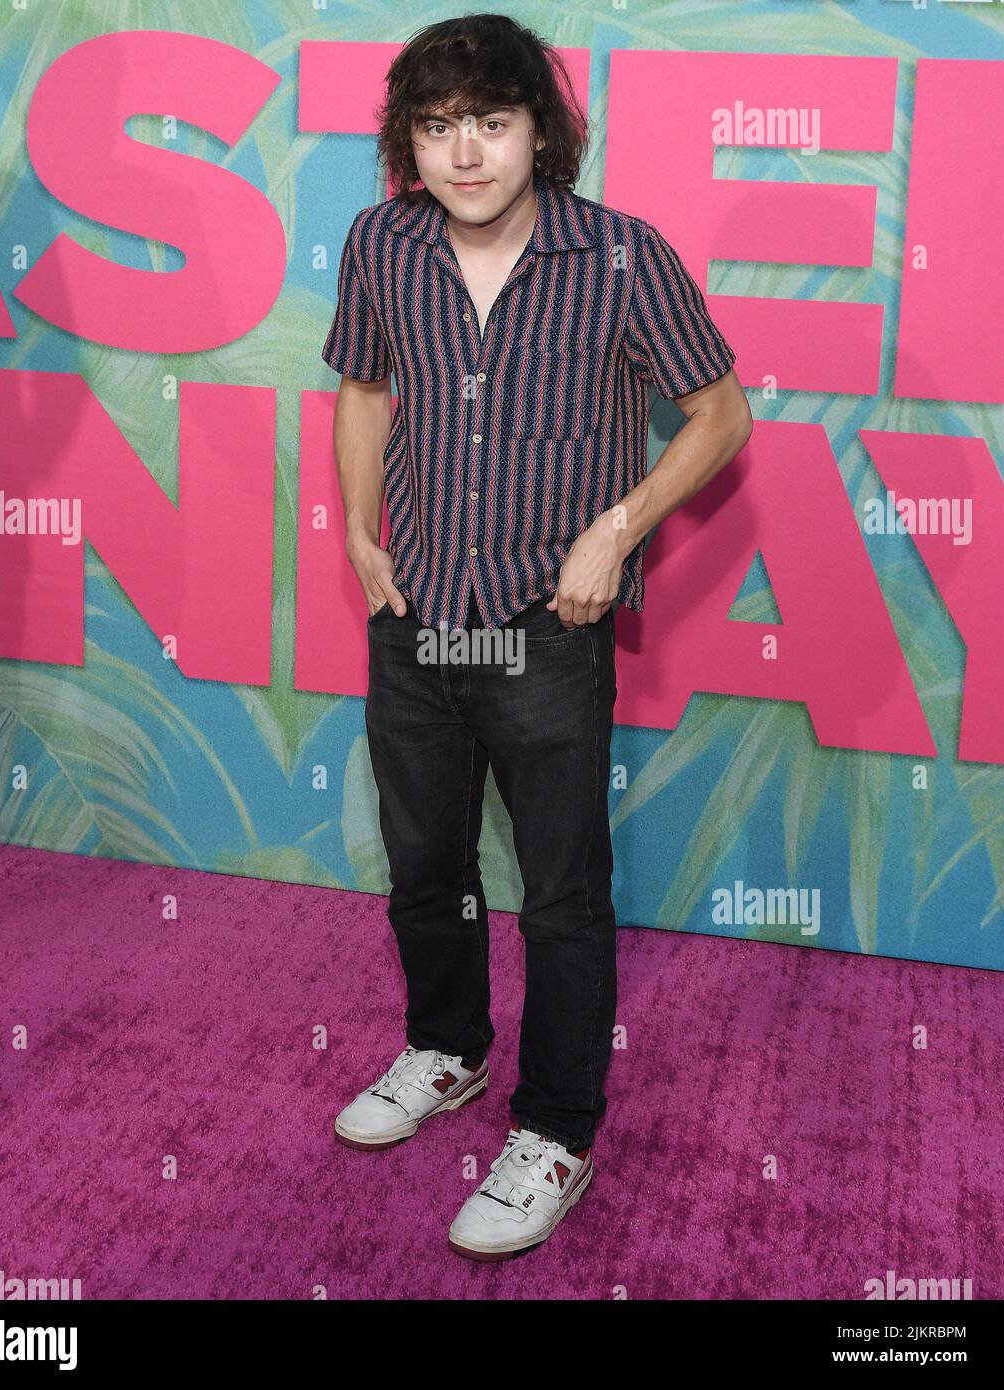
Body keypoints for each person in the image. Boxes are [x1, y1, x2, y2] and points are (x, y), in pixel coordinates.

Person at [321, 13, 752, 1261]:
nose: (465, 153)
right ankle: (446, 1049)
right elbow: (361, 386)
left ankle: (557, 1122)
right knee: (424, 866)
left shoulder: (620, 257)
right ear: (409, 139)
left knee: (560, 893)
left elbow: (718, 415)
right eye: (438, 125)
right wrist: (358, 531)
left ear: (539, 130)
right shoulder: (381, 242)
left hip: (541, 631)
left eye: (491, 123)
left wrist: (615, 527)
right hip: (413, 620)